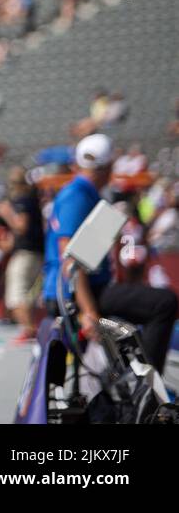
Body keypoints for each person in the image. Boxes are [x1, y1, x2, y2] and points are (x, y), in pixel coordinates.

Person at [43, 134, 178, 372]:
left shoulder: (82, 193)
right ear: (108, 167)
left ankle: (136, 381)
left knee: (147, 309)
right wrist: (89, 312)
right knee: (164, 303)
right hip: (77, 294)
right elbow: (72, 261)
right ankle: (147, 388)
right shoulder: (78, 195)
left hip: (81, 289)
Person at [0, 166, 43, 338]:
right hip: (32, 251)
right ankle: (31, 329)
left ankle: (29, 329)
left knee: (17, 294)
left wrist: (7, 213)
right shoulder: (31, 199)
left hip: (27, 253)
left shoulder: (24, 200)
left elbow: (21, 226)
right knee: (28, 294)